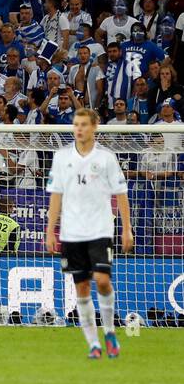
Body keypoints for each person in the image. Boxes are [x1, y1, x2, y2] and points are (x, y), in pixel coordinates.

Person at [44, 108, 133, 359]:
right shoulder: (61, 157)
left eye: (84, 124)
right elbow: (56, 197)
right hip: (71, 233)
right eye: (76, 124)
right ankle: (93, 344)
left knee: (102, 281)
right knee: (81, 287)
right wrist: (50, 231)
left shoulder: (106, 158)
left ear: (95, 127)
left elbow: (121, 194)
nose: (79, 129)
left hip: (100, 228)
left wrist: (127, 228)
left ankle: (109, 332)